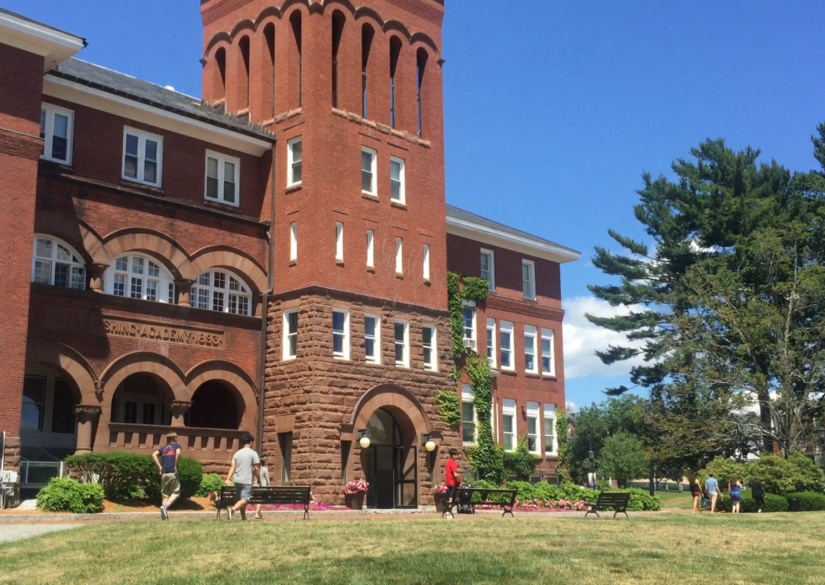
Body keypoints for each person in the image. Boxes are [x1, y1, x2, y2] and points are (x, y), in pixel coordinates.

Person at [225, 433, 260, 520]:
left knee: (241, 499)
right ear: (251, 442)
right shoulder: (253, 453)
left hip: (237, 480)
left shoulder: (237, 454)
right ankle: (232, 510)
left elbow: (233, 467)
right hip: (246, 480)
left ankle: (244, 517)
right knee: (246, 499)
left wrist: (228, 478)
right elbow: (256, 468)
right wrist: (259, 479)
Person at [152, 431, 182, 521]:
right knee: (176, 492)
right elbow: (178, 453)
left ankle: (164, 517)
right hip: (172, 473)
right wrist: (175, 465)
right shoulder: (177, 446)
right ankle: (165, 507)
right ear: (174, 439)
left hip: (164, 473)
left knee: (165, 495)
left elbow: (154, 455)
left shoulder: (163, 448)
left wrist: (160, 467)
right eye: (176, 438)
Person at [444, 448, 461, 520]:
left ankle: (449, 511)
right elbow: (455, 474)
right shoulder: (453, 463)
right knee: (452, 498)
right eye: (455, 455)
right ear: (451, 455)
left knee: (451, 497)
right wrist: (460, 479)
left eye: (457, 455)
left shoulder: (448, 462)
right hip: (453, 482)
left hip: (448, 482)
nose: (456, 456)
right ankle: (448, 511)